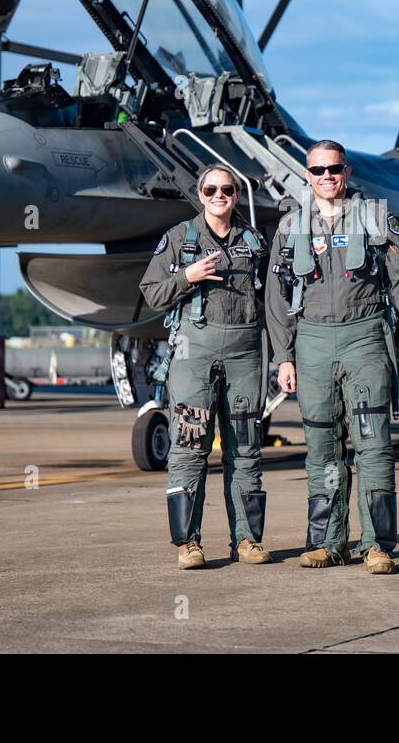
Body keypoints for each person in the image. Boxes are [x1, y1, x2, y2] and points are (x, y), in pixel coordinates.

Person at [266, 140, 399, 574]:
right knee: (321, 447)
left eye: (333, 168)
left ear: (347, 171)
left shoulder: (376, 218)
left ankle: (376, 545)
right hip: (313, 341)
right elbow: (277, 299)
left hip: (365, 337)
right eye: (317, 170)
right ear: (307, 174)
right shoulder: (291, 227)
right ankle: (327, 542)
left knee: (373, 443)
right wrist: (283, 357)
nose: (326, 177)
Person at [139, 164, 271, 570]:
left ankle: (247, 541)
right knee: (190, 447)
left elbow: (276, 302)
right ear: (200, 193)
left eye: (227, 189)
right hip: (195, 355)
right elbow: (151, 294)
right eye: (211, 189)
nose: (220, 195)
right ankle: (188, 544)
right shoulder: (179, 239)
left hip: (245, 356)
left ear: (235, 194)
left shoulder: (254, 241)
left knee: (245, 449)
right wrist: (188, 277)